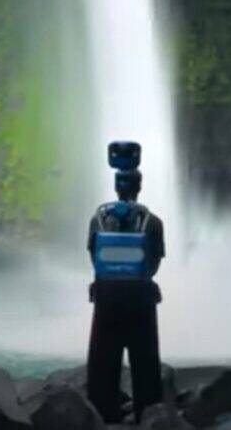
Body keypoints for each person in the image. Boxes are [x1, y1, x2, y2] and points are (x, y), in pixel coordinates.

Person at [86, 141, 165, 423]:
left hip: (106, 297)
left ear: (117, 186)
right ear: (138, 187)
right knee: (144, 361)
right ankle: (148, 412)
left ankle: (102, 412)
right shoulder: (152, 222)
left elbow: (92, 257)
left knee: (103, 360)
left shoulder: (98, 219)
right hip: (141, 298)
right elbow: (154, 262)